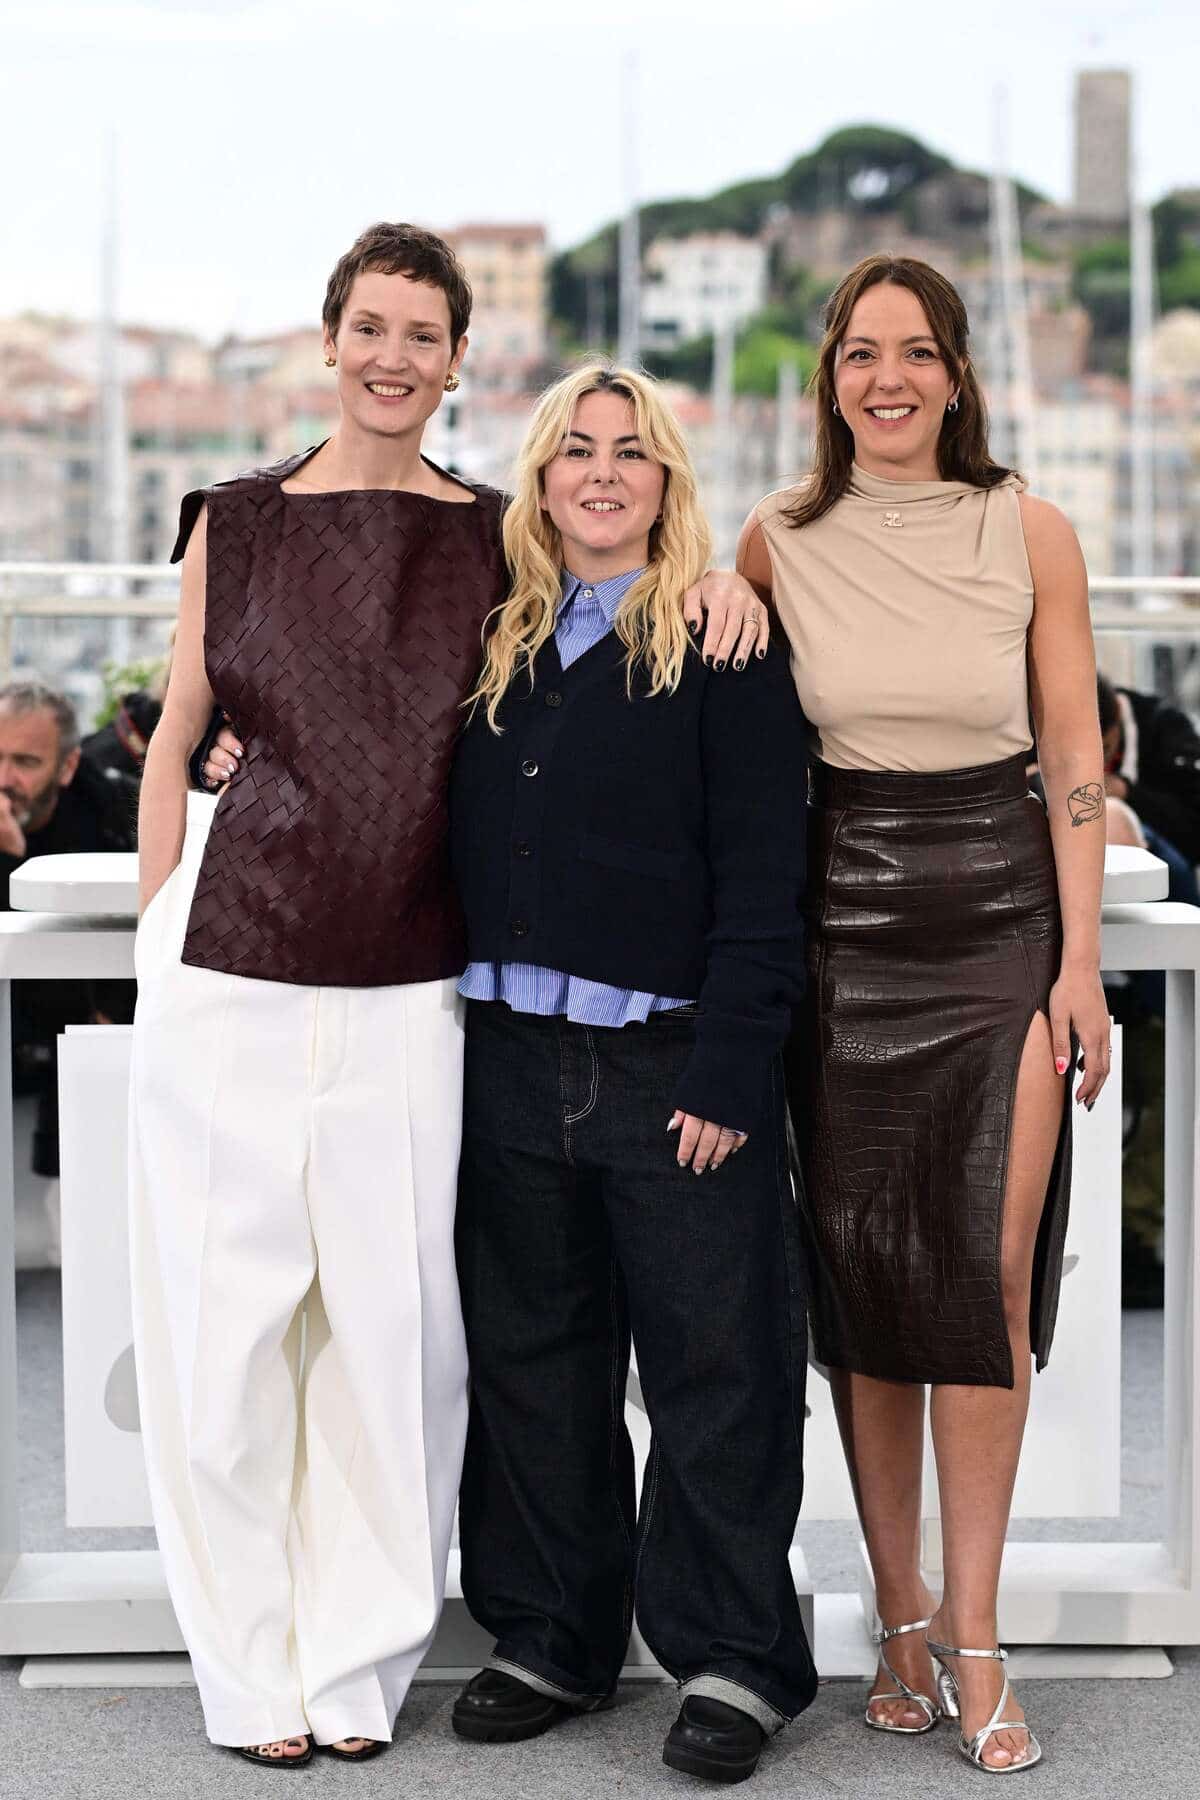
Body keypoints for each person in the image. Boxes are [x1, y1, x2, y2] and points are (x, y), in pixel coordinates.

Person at [140, 224, 765, 1769]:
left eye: (426, 334)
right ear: (331, 335)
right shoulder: (232, 519)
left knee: (403, 1358)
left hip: (422, 992)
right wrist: (155, 924)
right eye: (372, 327)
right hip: (234, 966)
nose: (394, 357)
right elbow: (178, 740)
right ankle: (248, 1670)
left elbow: (624, 557)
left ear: (460, 359)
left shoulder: (497, 534)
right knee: (223, 1350)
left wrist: (738, 583)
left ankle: (356, 1672)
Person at [738, 255, 1110, 1775]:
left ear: (957, 374)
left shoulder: (1032, 532)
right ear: (829, 379)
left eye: (914, 353)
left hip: (1001, 922)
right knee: (867, 1289)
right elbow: (686, 700)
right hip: (841, 923)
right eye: (857, 353)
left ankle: (974, 1627)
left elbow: (1078, 756)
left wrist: (1079, 964)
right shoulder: (772, 540)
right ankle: (895, 1615)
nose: (885, 379)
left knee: (983, 1288)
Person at [447, 362, 817, 1786]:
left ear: (667, 483)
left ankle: (734, 1656)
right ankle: (552, 1632)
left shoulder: (722, 641)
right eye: (575, 452)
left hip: (674, 1065)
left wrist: (734, 1072)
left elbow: (764, 878)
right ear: (539, 481)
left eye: (632, 454)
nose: (602, 474)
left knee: (719, 1370)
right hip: (510, 1061)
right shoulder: (492, 638)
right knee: (538, 1368)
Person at [1, 680, 135, 1186]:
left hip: (87, 1031)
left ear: (68, 766)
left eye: (26, 763)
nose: (5, 779)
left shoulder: (113, 812)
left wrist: (19, 862)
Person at [1097, 670, 1200, 866]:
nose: (1097, 763)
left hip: (1166, 856)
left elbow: (1194, 830)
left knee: (1113, 816)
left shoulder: (1168, 730)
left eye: (1105, 749)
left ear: (1119, 712)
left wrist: (1126, 791)